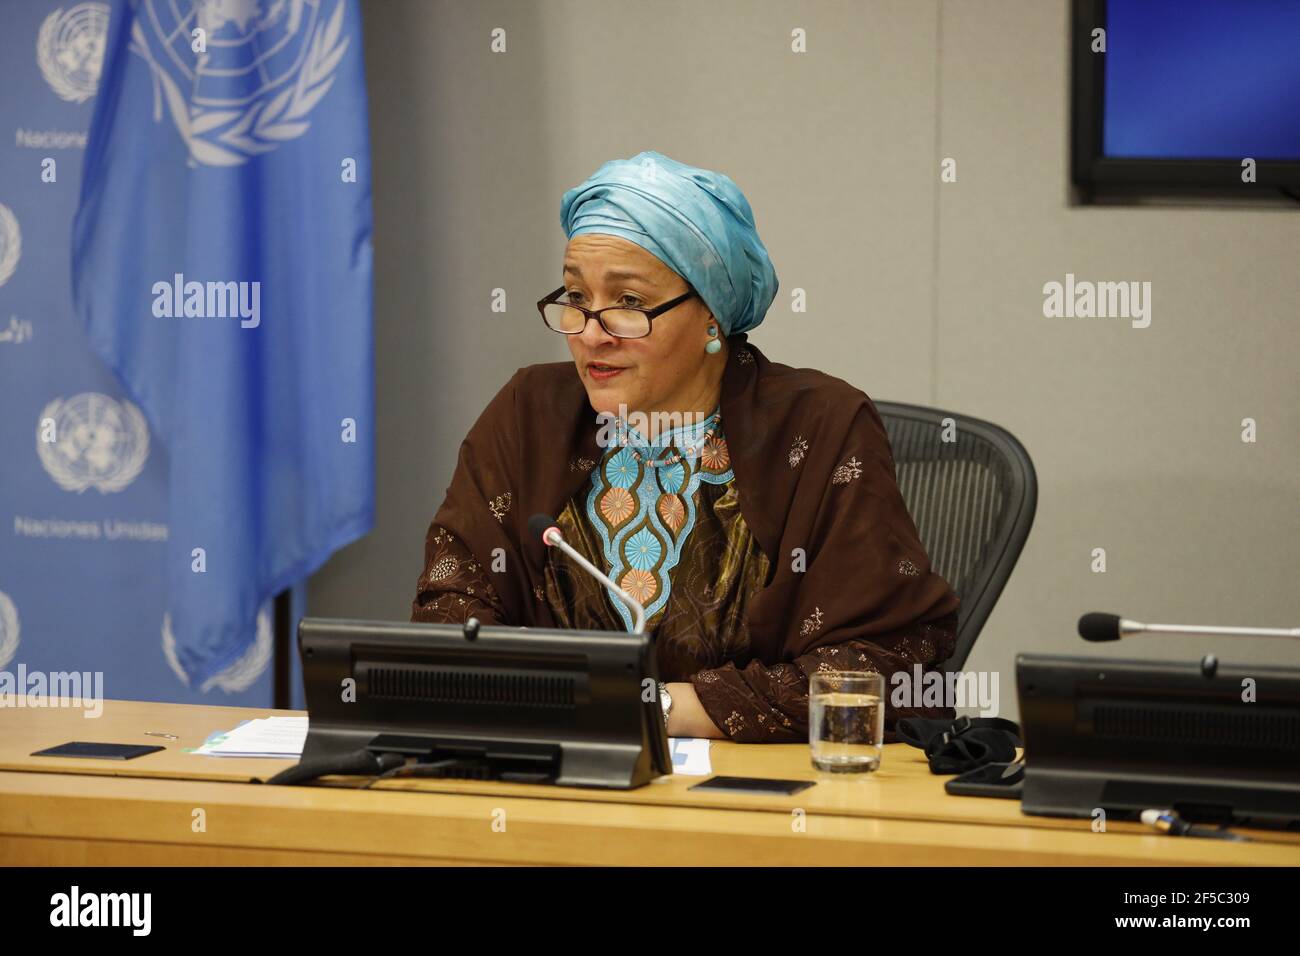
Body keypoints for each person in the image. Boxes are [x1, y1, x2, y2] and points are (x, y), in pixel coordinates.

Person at [412, 150, 959, 742]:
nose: (592, 334)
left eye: (629, 303)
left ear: (711, 319)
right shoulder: (531, 411)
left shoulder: (820, 426)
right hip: (556, 782)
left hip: (756, 800)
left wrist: (653, 710)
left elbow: (887, 666)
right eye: (575, 298)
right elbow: (451, 612)